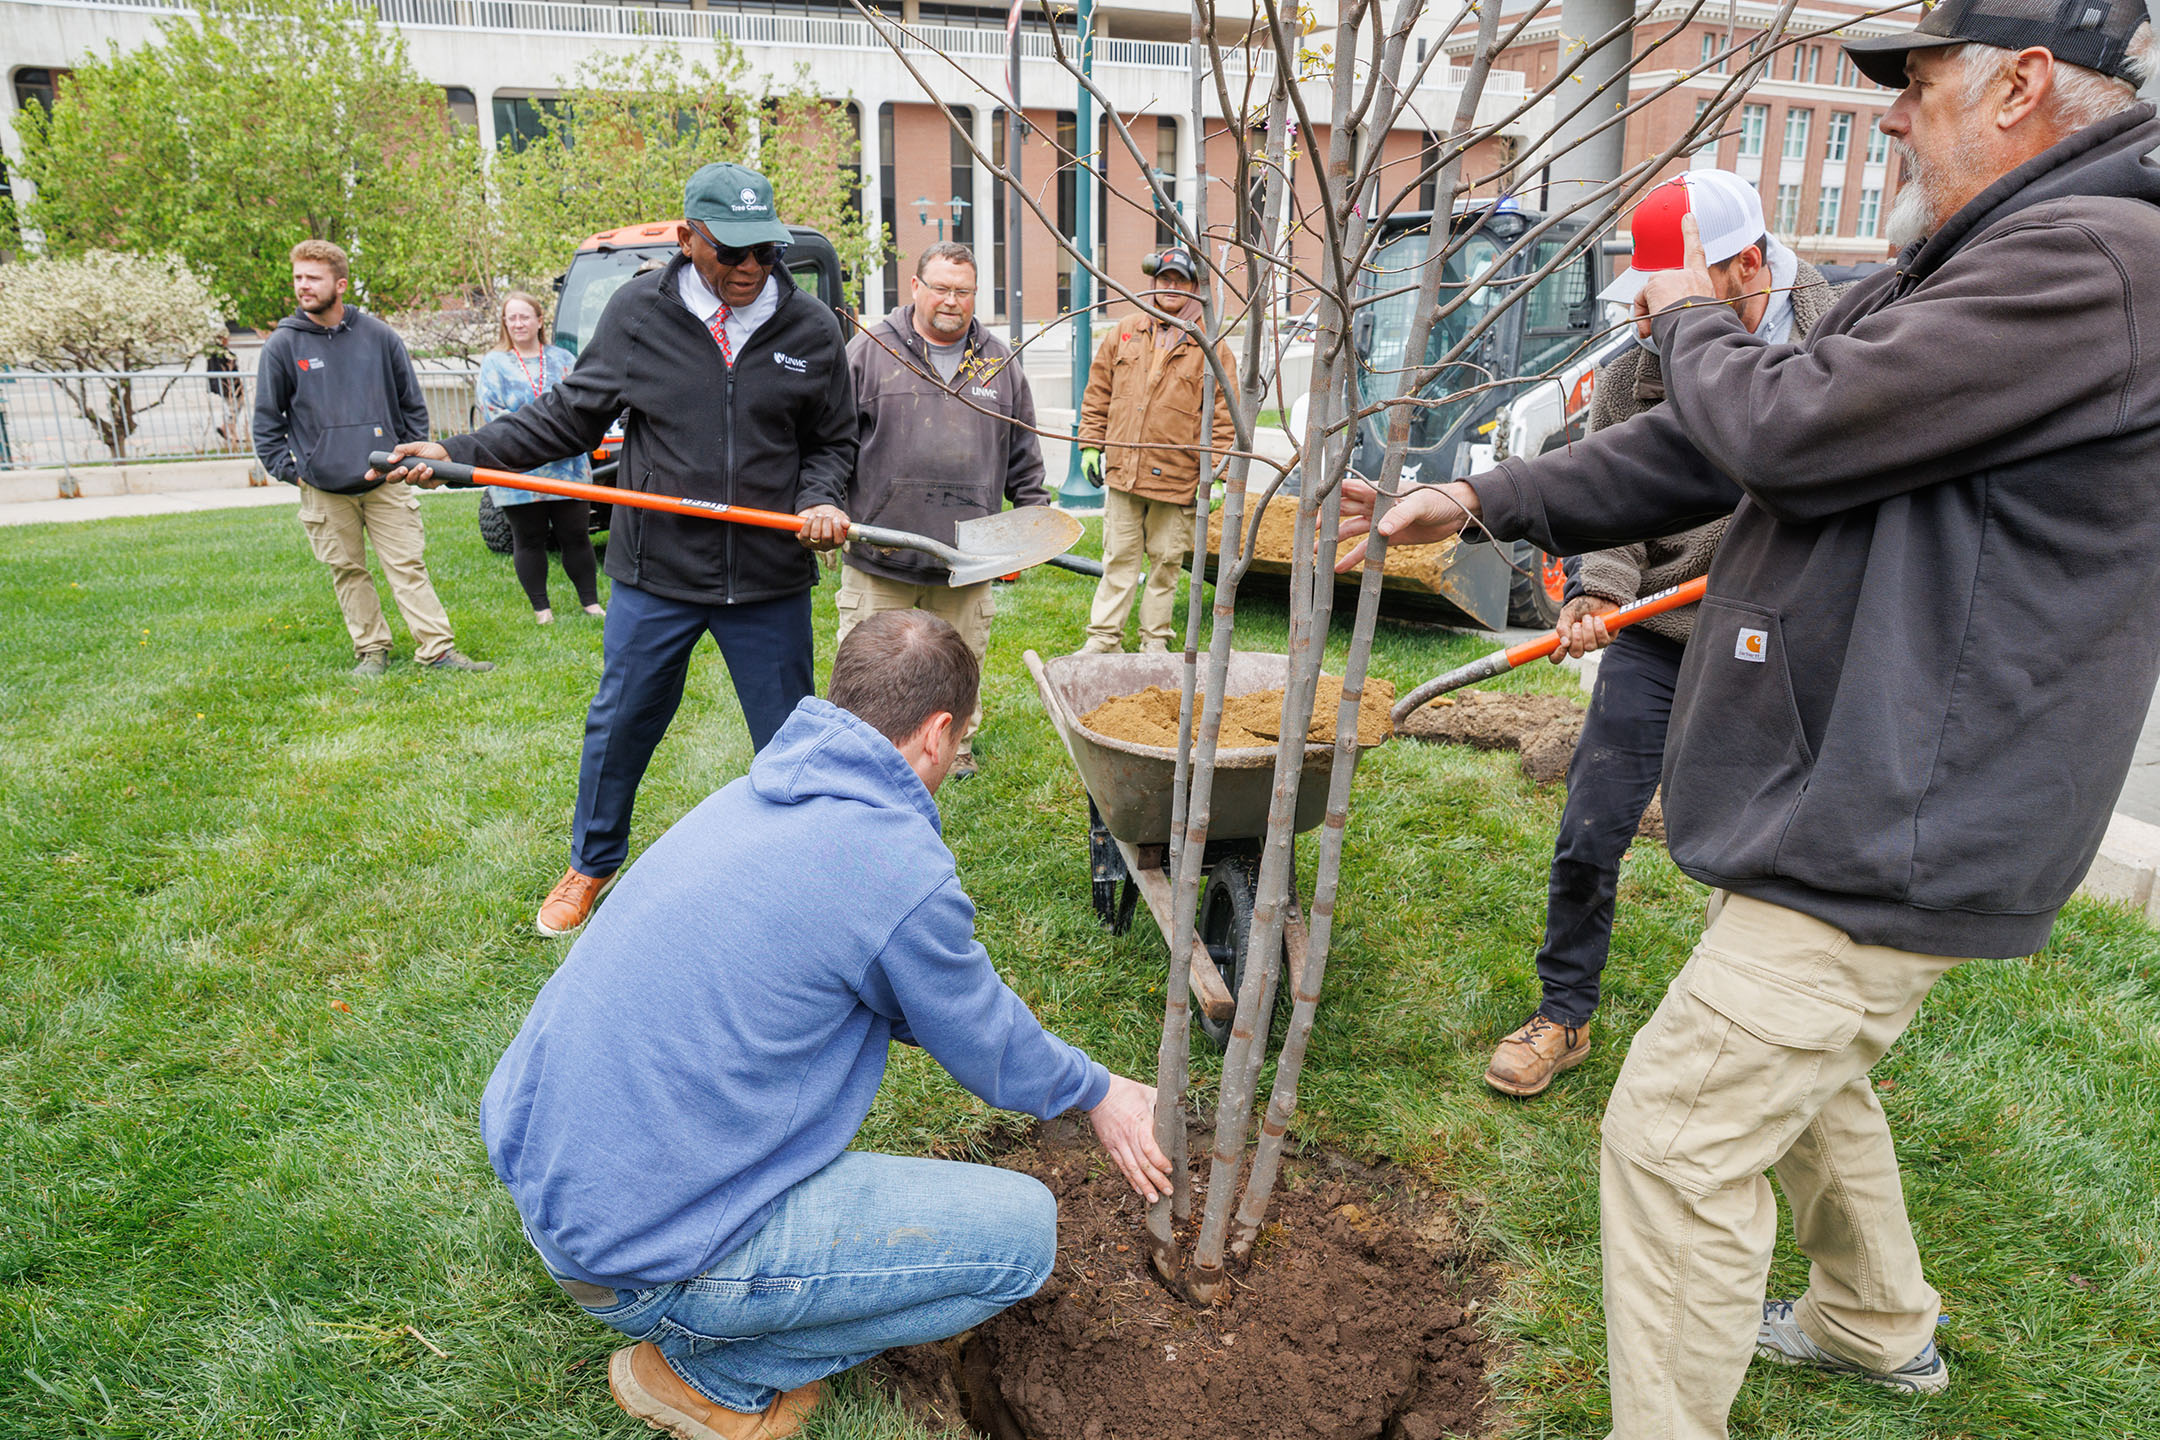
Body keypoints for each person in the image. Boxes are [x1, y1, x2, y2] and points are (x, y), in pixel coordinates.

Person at [1341, 4, 2160, 1432]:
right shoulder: (1992, 257)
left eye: (1916, 84)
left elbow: (1784, 425)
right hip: (1851, 788)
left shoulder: (2090, 266)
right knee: (1803, 1078)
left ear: (2022, 85)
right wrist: (1483, 495)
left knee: (1675, 1139)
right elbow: (1713, 440)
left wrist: (1689, 319)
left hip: (1896, 810)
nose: (1889, 116)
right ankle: (1874, 1322)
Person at [480, 609, 1171, 1440]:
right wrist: (1098, 1090)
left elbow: (904, 994)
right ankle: (710, 1375)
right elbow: (985, 1041)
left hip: (552, 1183)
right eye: (960, 742)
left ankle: (687, 1311)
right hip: (639, 1255)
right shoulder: (889, 861)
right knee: (1019, 1240)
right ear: (936, 733)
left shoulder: (752, 796)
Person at [378, 163, 856, 938]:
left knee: (789, 736)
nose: (751, 268)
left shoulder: (812, 327)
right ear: (687, 238)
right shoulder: (638, 313)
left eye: (765, 251)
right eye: (731, 252)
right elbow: (568, 416)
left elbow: (832, 441)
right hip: (656, 571)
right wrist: (458, 452)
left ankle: (798, 869)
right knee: (622, 723)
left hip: (768, 573)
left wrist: (822, 498)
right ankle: (592, 862)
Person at [1485, 171, 1842, 1099]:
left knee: (1764, 845)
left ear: (1747, 266)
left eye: (1666, 290)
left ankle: (1767, 1030)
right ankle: (1564, 1012)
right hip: (1661, 627)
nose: (1644, 316)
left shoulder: (1838, 345)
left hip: (1775, 636)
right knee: (1592, 822)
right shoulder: (1633, 371)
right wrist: (1594, 591)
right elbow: (1616, 498)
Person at [840, 240, 1048, 778]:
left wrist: (1032, 520)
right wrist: (823, 503)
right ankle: (866, 748)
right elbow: (833, 442)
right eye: (940, 288)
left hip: (967, 560)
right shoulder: (870, 351)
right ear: (915, 286)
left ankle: (954, 750)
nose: (952, 300)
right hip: (882, 552)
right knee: (872, 664)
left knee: (959, 662)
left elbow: (1023, 450)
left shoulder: (998, 361)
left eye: (964, 291)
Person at [253, 239, 493, 677]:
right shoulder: (283, 345)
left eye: (314, 278)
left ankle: (437, 650)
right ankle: (371, 651)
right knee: (348, 571)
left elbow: (411, 404)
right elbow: (268, 420)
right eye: (298, 277)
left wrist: (407, 457)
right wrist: (294, 472)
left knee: (408, 565)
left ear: (340, 284)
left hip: (386, 480)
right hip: (324, 488)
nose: (303, 286)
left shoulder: (379, 336)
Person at [1074, 245, 1235, 654]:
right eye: (1164, 280)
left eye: (1180, 281)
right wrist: (1090, 445)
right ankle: (1104, 638)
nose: (1171, 287)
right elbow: (1097, 392)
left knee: (1166, 564)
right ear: (1153, 283)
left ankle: (1155, 641)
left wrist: (1217, 474)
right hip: (1125, 473)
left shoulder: (1212, 346)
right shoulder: (1126, 331)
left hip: (1178, 480)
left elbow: (1225, 417)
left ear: (1195, 288)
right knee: (1118, 559)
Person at [478, 291, 604, 625]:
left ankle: (590, 603)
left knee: (576, 536)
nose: (518, 323)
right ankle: (541, 609)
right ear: (505, 324)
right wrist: (532, 440)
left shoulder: (563, 359)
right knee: (529, 539)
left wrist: (562, 438)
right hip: (519, 470)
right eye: (511, 318)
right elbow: (492, 412)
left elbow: (581, 404)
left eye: (524, 317)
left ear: (539, 320)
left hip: (568, 467)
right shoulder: (494, 363)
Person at [205, 331, 248, 455]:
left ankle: (228, 429)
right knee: (233, 407)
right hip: (227, 386)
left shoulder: (217, 353)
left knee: (233, 407)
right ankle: (228, 430)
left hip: (228, 385)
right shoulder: (219, 355)